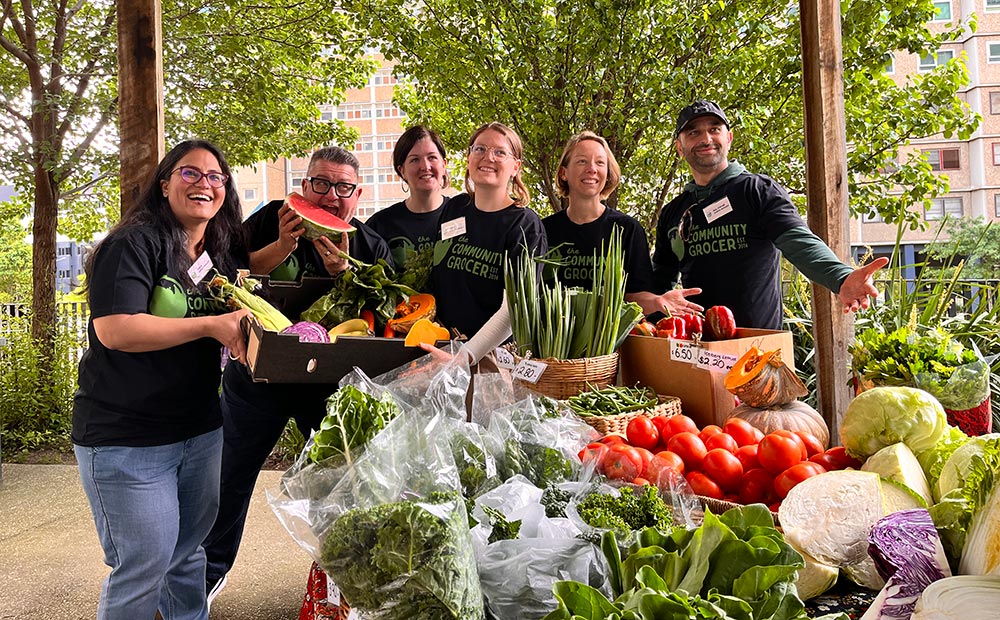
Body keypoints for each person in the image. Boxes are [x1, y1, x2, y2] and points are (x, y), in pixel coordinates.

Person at [203, 146, 392, 601]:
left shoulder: (369, 244)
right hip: (257, 380)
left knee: (343, 482)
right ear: (303, 187)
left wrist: (346, 274)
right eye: (320, 184)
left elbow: (384, 315)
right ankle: (207, 576)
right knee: (229, 477)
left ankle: (348, 580)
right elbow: (225, 275)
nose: (329, 197)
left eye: (342, 187)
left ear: (357, 194)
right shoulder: (270, 218)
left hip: (329, 387)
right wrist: (282, 247)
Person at [73, 139, 251, 620]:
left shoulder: (211, 253)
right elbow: (116, 330)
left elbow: (242, 291)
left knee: (187, 556)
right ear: (165, 182)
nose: (204, 184)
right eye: (190, 173)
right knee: (143, 566)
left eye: (216, 177)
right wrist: (212, 326)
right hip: (127, 439)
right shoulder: (132, 242)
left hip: (199, 431)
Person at [648, 100, 888, 329]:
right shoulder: (673, 212)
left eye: (714, 129)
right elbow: (660, 283)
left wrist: (841, 277)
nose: (706, 138)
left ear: (729, 139)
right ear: (680, 148)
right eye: (693, 133)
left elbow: (800, 243)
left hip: (757, 347)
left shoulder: (757, 190)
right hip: (698, 346)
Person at [429, 122, 547, 337]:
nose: (488, 157)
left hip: (494, 358)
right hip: (441, 344)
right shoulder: (454, 208)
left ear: (515, 167)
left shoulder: (526, 226)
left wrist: (469, 354)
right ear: (469, 158)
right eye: (480, 149)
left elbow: (514, 310)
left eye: (500, 152)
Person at [365, 125, 451, 279]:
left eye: (432, 157)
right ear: (402, 171)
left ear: (444, 165)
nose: (425, 166)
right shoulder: (380, 224)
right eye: (414, 160)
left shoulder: (463, 215)